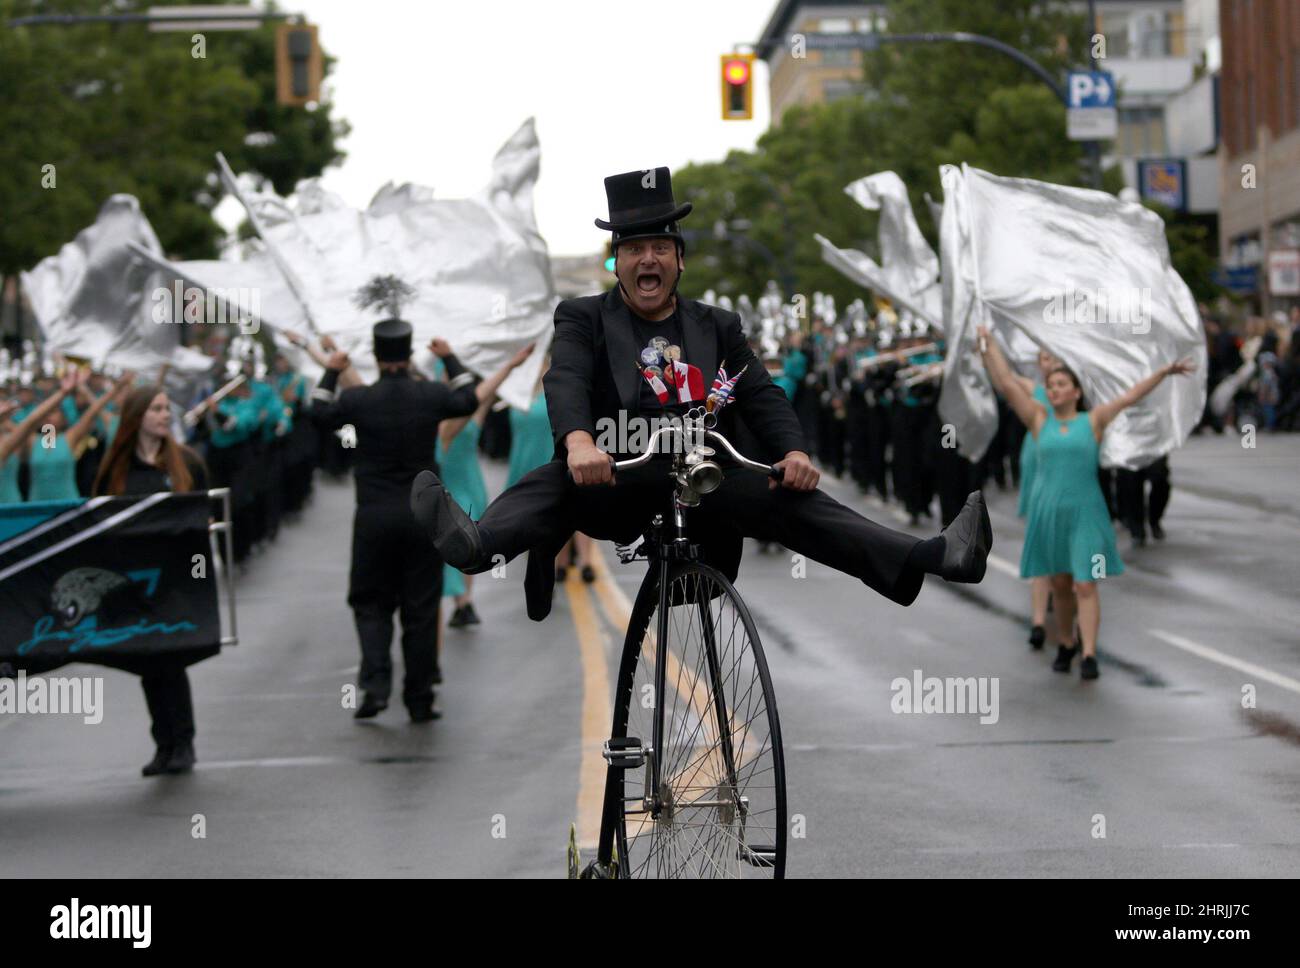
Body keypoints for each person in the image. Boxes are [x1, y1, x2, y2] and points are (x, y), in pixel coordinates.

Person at [412, 167, 991, 623]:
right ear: (617, 262)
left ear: (679, 259)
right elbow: (563, 377)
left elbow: (759, 393)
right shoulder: (583, 317)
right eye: (633, 247)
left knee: (797, 502)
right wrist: (582, 442)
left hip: (703, 479)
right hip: (616, 476)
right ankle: (478, 545)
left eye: (659, 247)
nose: (647, 259)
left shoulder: (717, 325)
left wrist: (794, 452)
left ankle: (932, 556)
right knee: (555, 479)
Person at [977, 325, 1193, 680]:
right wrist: (988, 343)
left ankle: (1089, 653)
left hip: (1087, 516)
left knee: (1086, 584)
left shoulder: (1093, 420)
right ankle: (1066, 641)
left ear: (1076, 392)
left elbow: (1130, 396)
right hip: (1049, 513)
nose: (1055, 389)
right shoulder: (1038, 420)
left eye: (1063, 385)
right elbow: (1005, 382)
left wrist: (1163, 372)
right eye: (1052, 385)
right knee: (1061, 586)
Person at [311, 320, 480, 722]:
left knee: (370, 603)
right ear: (408, 356)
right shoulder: (429, 395)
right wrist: (448, 357)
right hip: (423, 519)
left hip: (373, 517)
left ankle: (375, 688)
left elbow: (317, 411)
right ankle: (419, 698)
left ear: (375, 355)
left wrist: (333, 368)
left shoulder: (360, 400)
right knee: (420, 609)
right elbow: (469, 398)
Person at [92, 384, 213, 776]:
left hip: (174, 579)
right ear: (137, 417)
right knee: (147, 661)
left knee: (170, 659)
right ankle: (163, 743)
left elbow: (203, 513)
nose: (164, 415)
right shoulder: (115, 470)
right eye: (156, 409)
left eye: (166, 408)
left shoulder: (186, 463)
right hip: (132, 579)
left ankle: (184, 742)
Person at [436, 344, 535, 628]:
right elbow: (483, 393)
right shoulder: (440, 418)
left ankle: (463, 601)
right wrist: (509, 366)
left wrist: (509, 366)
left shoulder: (458, 415)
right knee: (461, 542)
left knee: (463, 543)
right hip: (453, 485)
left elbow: (487, 392)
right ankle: (463, 602)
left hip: (466, 485)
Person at [1009, 347, 1061, 649]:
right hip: (1036, 458)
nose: (1049, 363)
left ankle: (1060, 584)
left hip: (1063, 458)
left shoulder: (1072, 392)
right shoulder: (1035, 389)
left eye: (1053, 357)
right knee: (1039, 524)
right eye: (1044, 358)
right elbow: (1008, 380)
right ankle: (1045, 592)